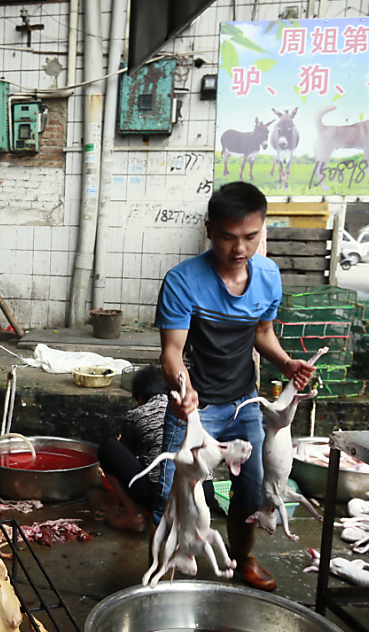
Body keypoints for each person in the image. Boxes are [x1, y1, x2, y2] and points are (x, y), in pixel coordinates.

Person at [154, 181, 316, 592]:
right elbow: (172, 351)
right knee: (173, 496)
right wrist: (182, 388)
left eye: (250, 237)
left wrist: (285, 361)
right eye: (229, 237)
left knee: (252, 489)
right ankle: (168, 568)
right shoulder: (183, 280)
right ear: (210, 230)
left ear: (263, 230)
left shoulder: (268, 276)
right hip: (195, 406)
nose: (240, 248)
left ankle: (243, 558)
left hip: (245, 404)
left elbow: (263, 331)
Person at [98, 366, 169, 532]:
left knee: (107, 448)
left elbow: (124, 456)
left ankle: (132, 515)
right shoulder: (190, 410)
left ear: (140, 397)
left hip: (160, 498)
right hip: (203, 496)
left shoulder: (138, 413)